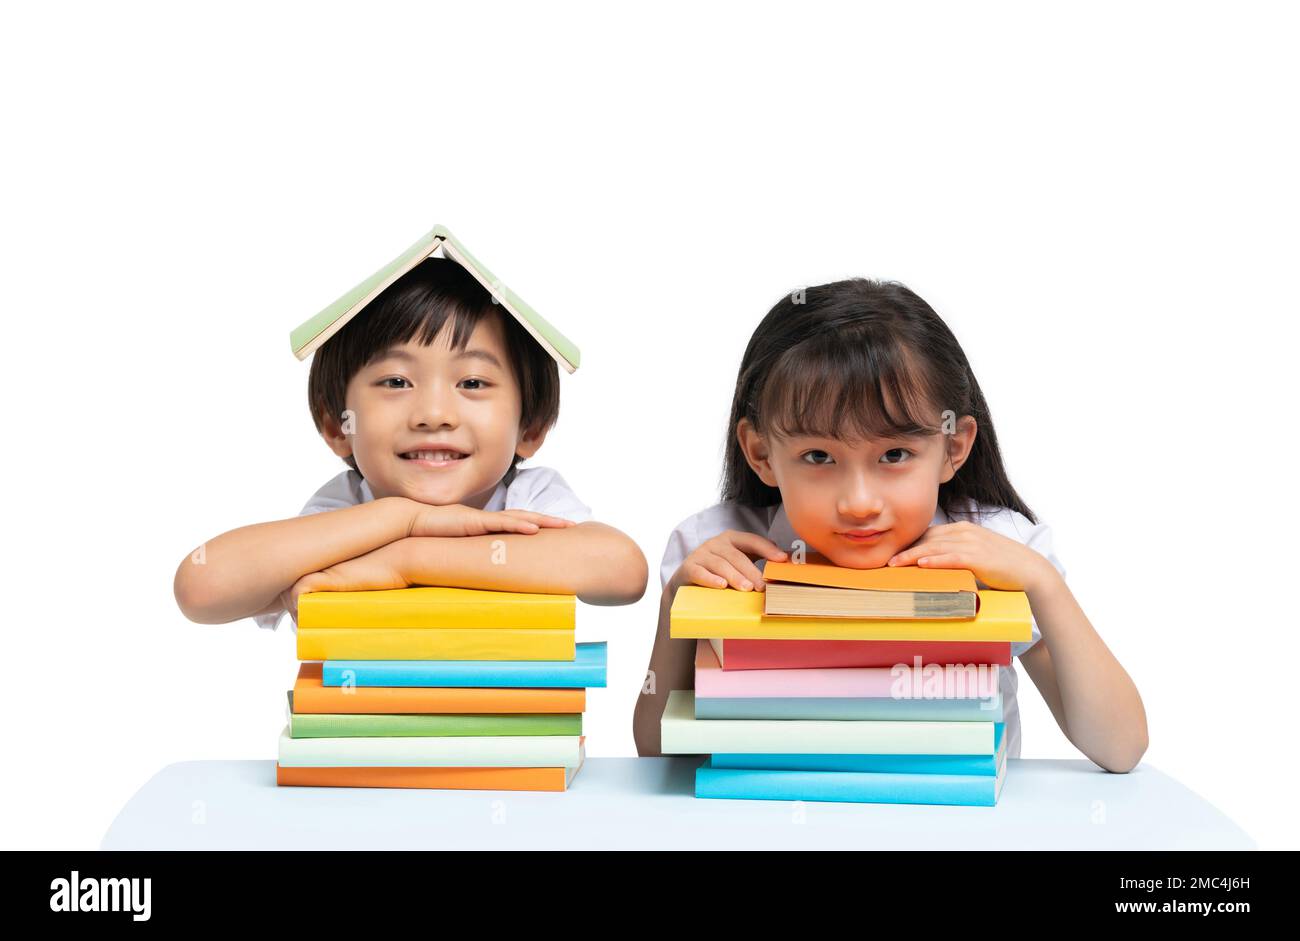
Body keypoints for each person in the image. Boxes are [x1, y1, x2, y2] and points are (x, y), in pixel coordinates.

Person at [632, 278, 1147, 772]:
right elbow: (658, 756)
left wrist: (1043, 584)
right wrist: (676, 606)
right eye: (818, 456)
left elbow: (1119, 748)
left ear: (953, 448)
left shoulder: (1002, 549)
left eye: (895, 454)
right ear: (762, 454)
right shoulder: (716, 549)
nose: (859, 502)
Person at [175, 256, 647, 629]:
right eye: (397, 382)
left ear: (531, 427)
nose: (434, 415)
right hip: (361, 743)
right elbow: (201, 586)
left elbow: (623, 572)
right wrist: (403, 518)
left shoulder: (527, 502)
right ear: (338, 424)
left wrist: (409, 558)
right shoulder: (345, 512)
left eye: (474, 383)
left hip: (508, 740)